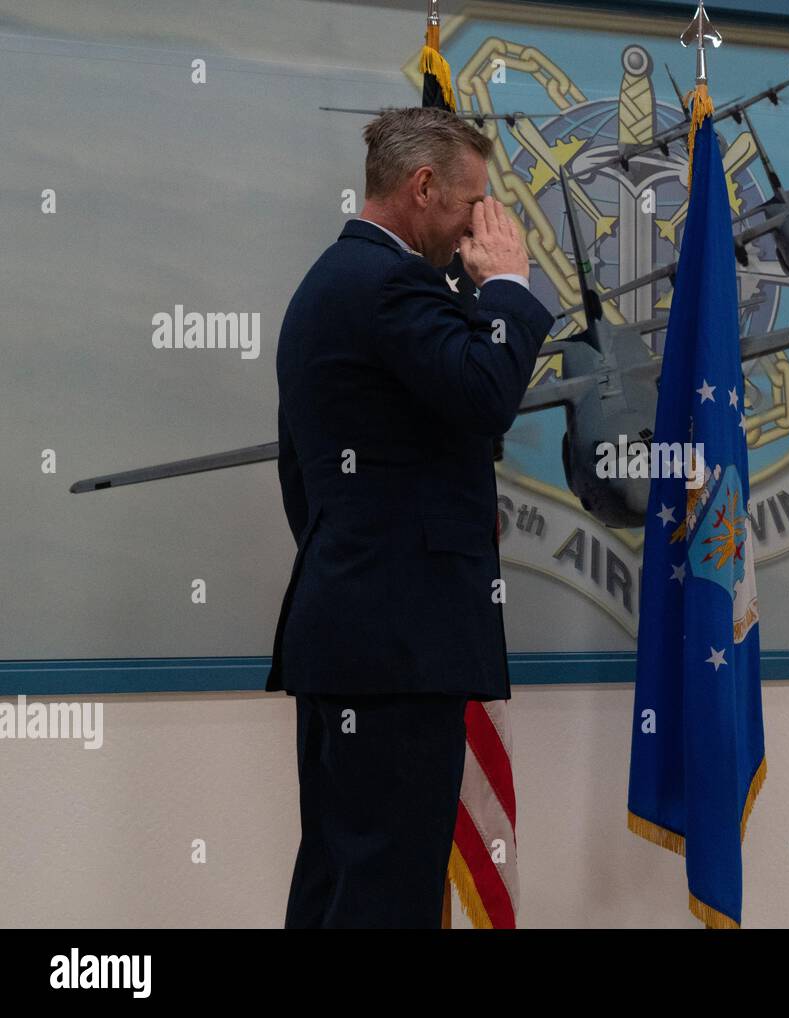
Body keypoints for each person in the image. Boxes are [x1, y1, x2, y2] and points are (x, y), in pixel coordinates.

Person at [266, 107, 554, 927]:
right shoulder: (388, 281)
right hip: (395, 643)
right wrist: (506, 283)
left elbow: (302, 475)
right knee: (388, 889)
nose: (480, 224)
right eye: (473, 205)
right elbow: (484, 394)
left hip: (351, 626)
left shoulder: (331, 281)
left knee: (339, 876)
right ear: (424, 187)